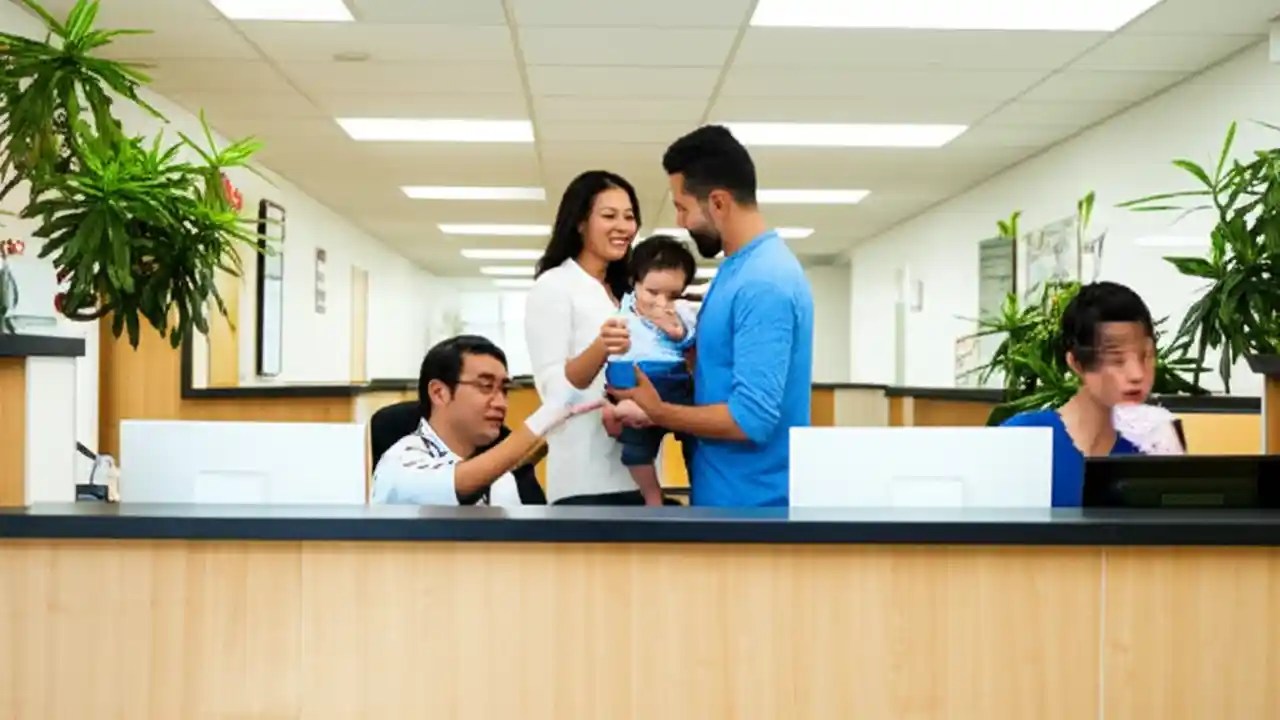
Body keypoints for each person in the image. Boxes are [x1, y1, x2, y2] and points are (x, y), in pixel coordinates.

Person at [611, 125, 814, 507]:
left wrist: (661, 412)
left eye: (683, 207)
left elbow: (750, 419)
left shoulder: (765, 281)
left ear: (718, 203)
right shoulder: (733, 272)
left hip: (755, 509)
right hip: (721, 498)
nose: (679, 222)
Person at [524, 170, 652, 505]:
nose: (623, 226)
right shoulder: (554, 286)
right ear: (580, 222)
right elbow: (553, 391)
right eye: (609, 216)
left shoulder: (630, 291)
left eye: (630, 217)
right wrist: (600, 348)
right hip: (585, 479)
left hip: (640, 472)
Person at [1001, 281, 1180, 507]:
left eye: (1146, 356)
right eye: (1117, 359)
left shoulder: (1156, 445)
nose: (1137, 374)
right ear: (1076, 363)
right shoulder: (1023, 438)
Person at [371, 335, 600, 506]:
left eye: (504, 390)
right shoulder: (401, 461)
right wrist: (544, 417)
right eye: (485, 387)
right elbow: (459, 485)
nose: (500, 403)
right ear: (439, 393)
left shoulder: (504, 479)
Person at [607, 234, 699, 505]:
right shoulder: (622, 312)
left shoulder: (680, 312)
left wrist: (675, 330)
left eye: (672, 294)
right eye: (652, 292)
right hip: (634, 378)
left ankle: (699, 489)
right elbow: (610, 355)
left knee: (696, 440)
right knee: (635, 450)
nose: (661, 302)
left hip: (673, 379)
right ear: (634, 282)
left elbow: (688, 339)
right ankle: (652, 496)